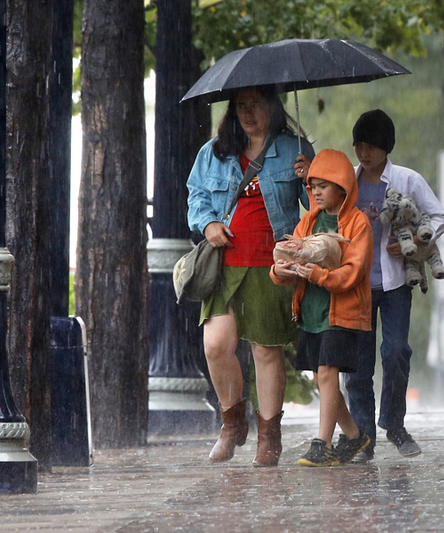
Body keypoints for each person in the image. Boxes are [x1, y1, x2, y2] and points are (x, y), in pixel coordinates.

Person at [186, 85, 315, 467]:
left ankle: (269, 436)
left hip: (273, 263)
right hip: (225, 264)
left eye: (255, 104)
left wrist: (310, 177)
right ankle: (232, 423)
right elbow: (197, 195)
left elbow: (320, 206)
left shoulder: (295, 149)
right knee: (216, 344)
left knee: (265, 350)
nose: (247, 112)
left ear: (272, 107)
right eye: (241, 106)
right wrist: (208, 223)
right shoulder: (213, 152)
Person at [346, 109, 444, 461]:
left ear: (386, 147)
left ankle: (394, 424)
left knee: (395, 353)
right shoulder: (348, 181)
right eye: (359, 145)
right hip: (355, 283)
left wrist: (420, 244)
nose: (364, 154)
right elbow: (322, 205)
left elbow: (441, 216)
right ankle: (362, 437)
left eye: (372, 147)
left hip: (395, 283)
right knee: (357, 363)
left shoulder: (407, 180)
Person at [270, 149, 374, 466]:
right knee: (321, 379)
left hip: (341, 312)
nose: (315, 191)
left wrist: (320, 274)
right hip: (312, 312)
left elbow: (354, 272)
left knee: (329, 374)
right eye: (312, 185)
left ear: (343, 186)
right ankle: (356, 436)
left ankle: (322, 444)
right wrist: (279, 271)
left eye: (323, 185)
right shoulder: (308, 221)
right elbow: (289, 259)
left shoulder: (358, 223)